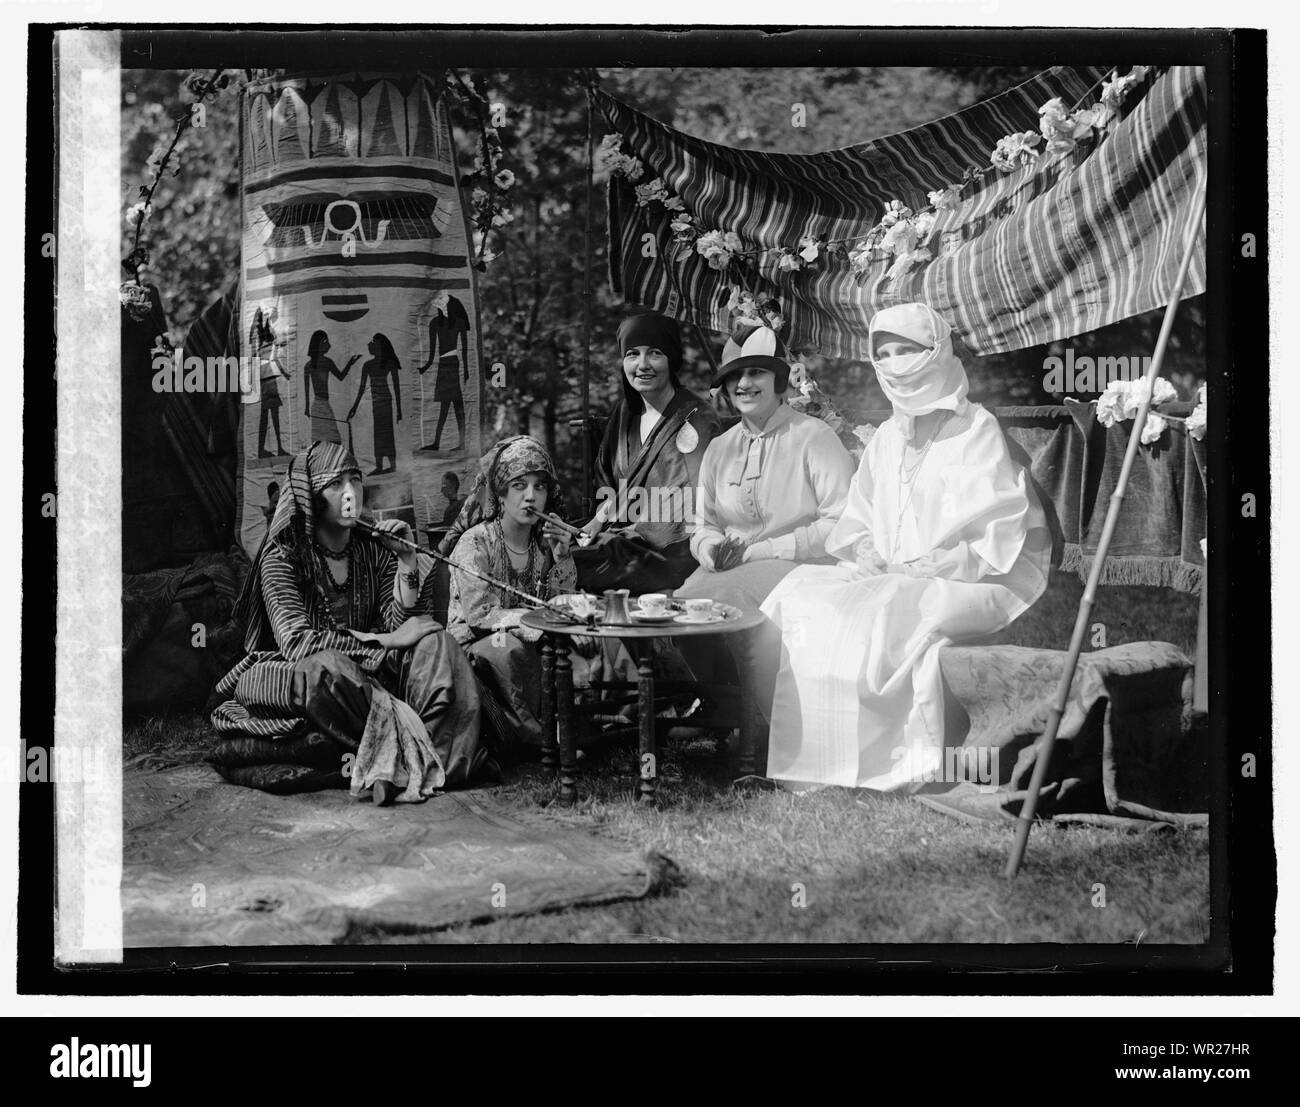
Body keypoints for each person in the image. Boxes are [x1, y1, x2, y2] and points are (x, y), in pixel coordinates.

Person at [761, 302, 1051, 791]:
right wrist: (866, 549)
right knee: (801, 597)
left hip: (965, 579)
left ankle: (895, 765)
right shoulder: (886, 440)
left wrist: (943, 562)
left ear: (936, 351)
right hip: (890, 572)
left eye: (908, 350)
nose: (895, 363)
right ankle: (816, 764)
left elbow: (998, 523)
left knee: (886, 611)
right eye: (884, 353)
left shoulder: (973, 428)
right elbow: (859, 517)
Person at [210, 440, 490, 802]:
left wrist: (406, 562)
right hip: (308, 675)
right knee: (324, 670)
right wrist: (385, 643)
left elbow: (398, 624)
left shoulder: (373, 548)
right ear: (310, 496)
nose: (349, 493)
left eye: (355, 480)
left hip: (372, 675)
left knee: (439, 643)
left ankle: (420, 764)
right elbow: (297, 643)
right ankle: (405, 757)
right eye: (334, 484)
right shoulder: (282, 556)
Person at [674, 325, 856, 709]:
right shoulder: (720, 449)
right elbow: (702, 524)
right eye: (734, 377)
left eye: (755, 372)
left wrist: (768, 550)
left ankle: (766, 728)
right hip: (727, 568)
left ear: (779, 380)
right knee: (682, 606)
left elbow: (842, 522)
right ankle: (721, 706)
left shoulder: (813, 437)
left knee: (728, 601)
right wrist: (707, 548)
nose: (744, 384)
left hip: (802, 565)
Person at [447, 436, 633, 752]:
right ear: (501, 495)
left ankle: (625, 716)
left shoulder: (541, 545)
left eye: (540, 486)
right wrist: (544, 624)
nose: (531, 497)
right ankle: (544, 739)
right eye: (519, 486)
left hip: (535, 635)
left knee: (598, 633)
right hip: (480, 646)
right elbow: (480, 616)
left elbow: (558, 600)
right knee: (508, 649)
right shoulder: (474, 543)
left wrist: (562, 555)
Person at [575, 310, 722, 593]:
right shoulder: (624, 413)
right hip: (620, 538)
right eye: (632, 354)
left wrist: (635, 533)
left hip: (671, 549)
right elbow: (610, 485)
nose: (642, 365)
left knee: (582, 564)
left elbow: (689, 500)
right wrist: (595, 523)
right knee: (553, 550)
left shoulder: (696, 417)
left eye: (654, 353)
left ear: (672, 359)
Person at [346, 333, 403, 474]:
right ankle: (379, 466)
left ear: (379, 346)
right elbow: (361, 388)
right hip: (377, 404)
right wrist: (354, 407)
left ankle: (392, 465)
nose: (369, 345)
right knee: (379, 434)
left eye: (373, 342)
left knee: (387, 433)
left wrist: (399, 409)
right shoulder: (368, 365)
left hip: (385, 402)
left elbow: (397, 386)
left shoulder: (389, 363)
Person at [303, 330, 359, 444]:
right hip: (319, 405)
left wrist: (350, 363)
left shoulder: (324, 362)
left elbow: (340, 376)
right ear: (319, 344)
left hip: (321, 404)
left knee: (330, 439)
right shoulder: (312, 365)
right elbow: (307, 389)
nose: (329, 345)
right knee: (327, 440)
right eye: (326, 341)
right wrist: (307, 407)